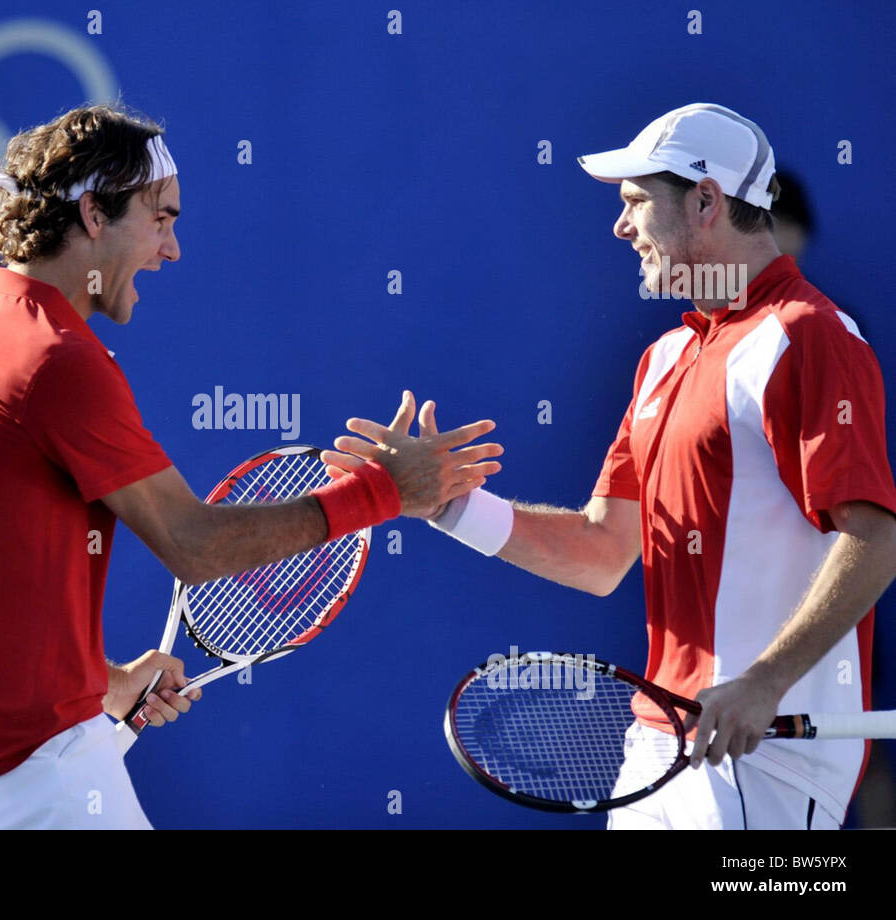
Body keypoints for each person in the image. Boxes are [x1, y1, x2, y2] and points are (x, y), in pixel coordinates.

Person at [0, 103, 503, 829]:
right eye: (162, 219)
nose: (171, 250)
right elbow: (196, 546)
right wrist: (382, 492)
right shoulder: (55, 359)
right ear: (92, 214)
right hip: (29, 769)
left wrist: (105, 684)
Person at [329, 103, 896, 829]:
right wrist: (448, 504)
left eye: (634, 203)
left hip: (764, 757)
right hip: (659, 744)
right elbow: (601, 552)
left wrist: (764, 681)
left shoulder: (809, 335)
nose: (620, 228)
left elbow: (872, 537)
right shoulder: (662, 361)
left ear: (705, 201)